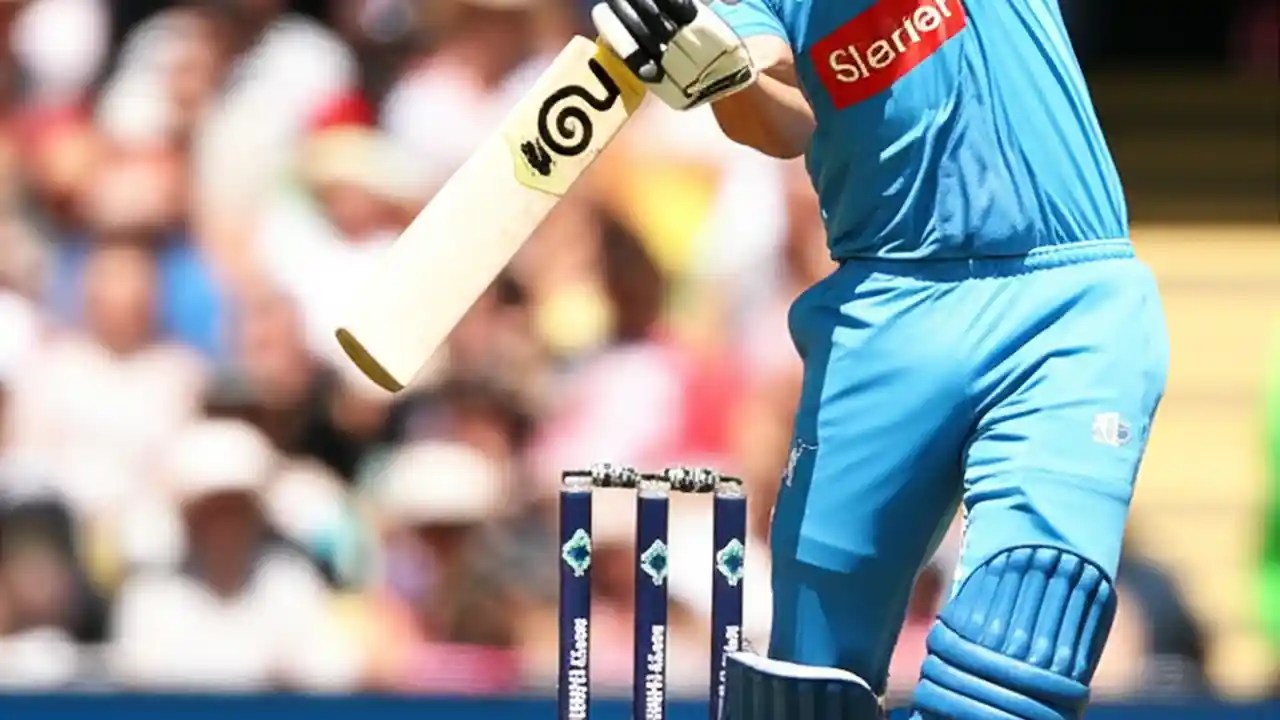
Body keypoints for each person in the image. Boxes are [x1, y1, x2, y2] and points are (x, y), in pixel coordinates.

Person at [590, 1, 1170, 718]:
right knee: (803, 685)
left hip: (1062, 300)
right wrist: (710, 65)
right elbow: (779, 119)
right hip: (884, 315)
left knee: (1028, 620)